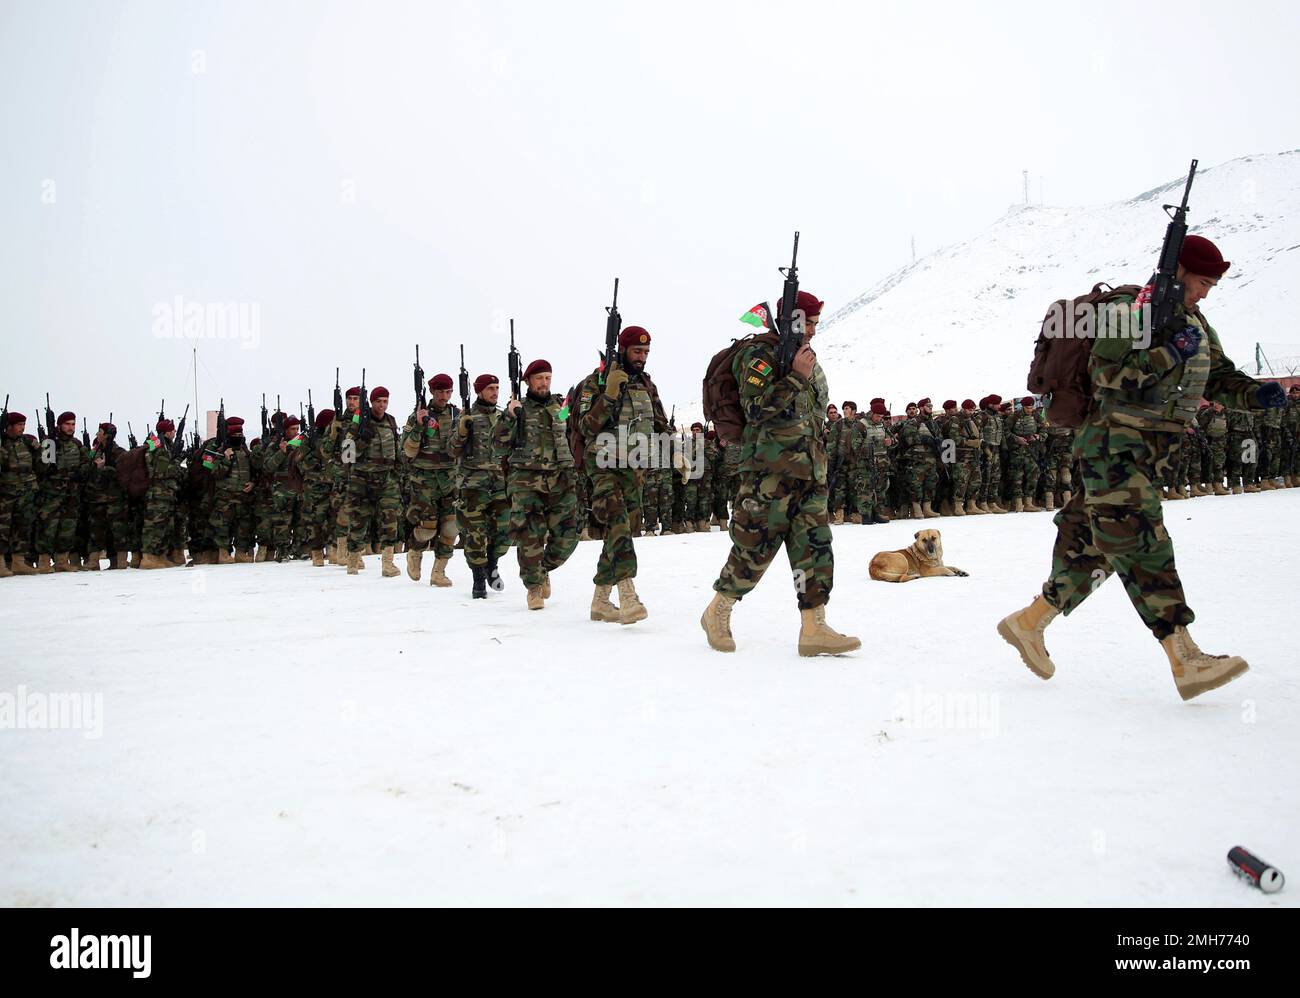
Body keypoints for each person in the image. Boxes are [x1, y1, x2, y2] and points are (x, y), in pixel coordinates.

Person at [998, 234, 1287, 701]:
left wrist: (1256, 393)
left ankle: (1028, 624)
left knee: (1094, 547)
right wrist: (1170, 350)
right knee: (1144, 544)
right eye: (1202, 282)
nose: (1206, 293)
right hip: (1112, 449)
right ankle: (1183, 655)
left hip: (1148, 454)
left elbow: (1217, 376)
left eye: (1212, 285)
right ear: (1179, 271)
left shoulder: (1193, 320)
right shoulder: (1128, 311)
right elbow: (1110, 376)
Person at [701, 290, 860, 656]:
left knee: (815, 550)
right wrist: (793, 378)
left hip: (809, 472)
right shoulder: (758, 356)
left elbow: (814, 416)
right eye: (810, 323)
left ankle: (814, 628)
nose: (815, 332)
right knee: (754, 548)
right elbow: (757, 410)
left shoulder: (807, 358)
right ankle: (717, 611)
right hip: (769, 473)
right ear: (793, 320)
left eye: (818, 324)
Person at [574, 325, 669, 623]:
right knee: (616, 521)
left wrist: (675, 452)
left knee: (621, 532)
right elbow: (585, 427)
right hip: (602, 464)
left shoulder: (646, 385)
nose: (641, 357)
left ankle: (600, 602)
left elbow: (660, 424)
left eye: (646, 352)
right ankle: (628, 596)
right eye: (637, 351)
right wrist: (610, 394)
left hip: (633, 466)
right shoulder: (596, 382)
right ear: (623, 349)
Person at [495, 359, 579, 610]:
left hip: (560, 481)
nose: (544, 383)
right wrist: (510, 417)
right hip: (526, 483)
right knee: (529, 538)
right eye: (539, 378)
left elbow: (572, 434)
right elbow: (498, 445)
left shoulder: (560, 406)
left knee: (569, 536)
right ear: (528, 381)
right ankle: (533, 587)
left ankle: (542, 569)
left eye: (548, 378)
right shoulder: (517, 409)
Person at [450, 373, 511, 598]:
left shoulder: (504, 417)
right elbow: (451, 450)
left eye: (497, 387)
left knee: (504, 530)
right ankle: (478, 579)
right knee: (475, 535)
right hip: (472, 485)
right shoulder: (465, 417)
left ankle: (491, 565)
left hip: (499, 484)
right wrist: (462, 431)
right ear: (479, 391)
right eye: (490, 388)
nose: (495, 392)